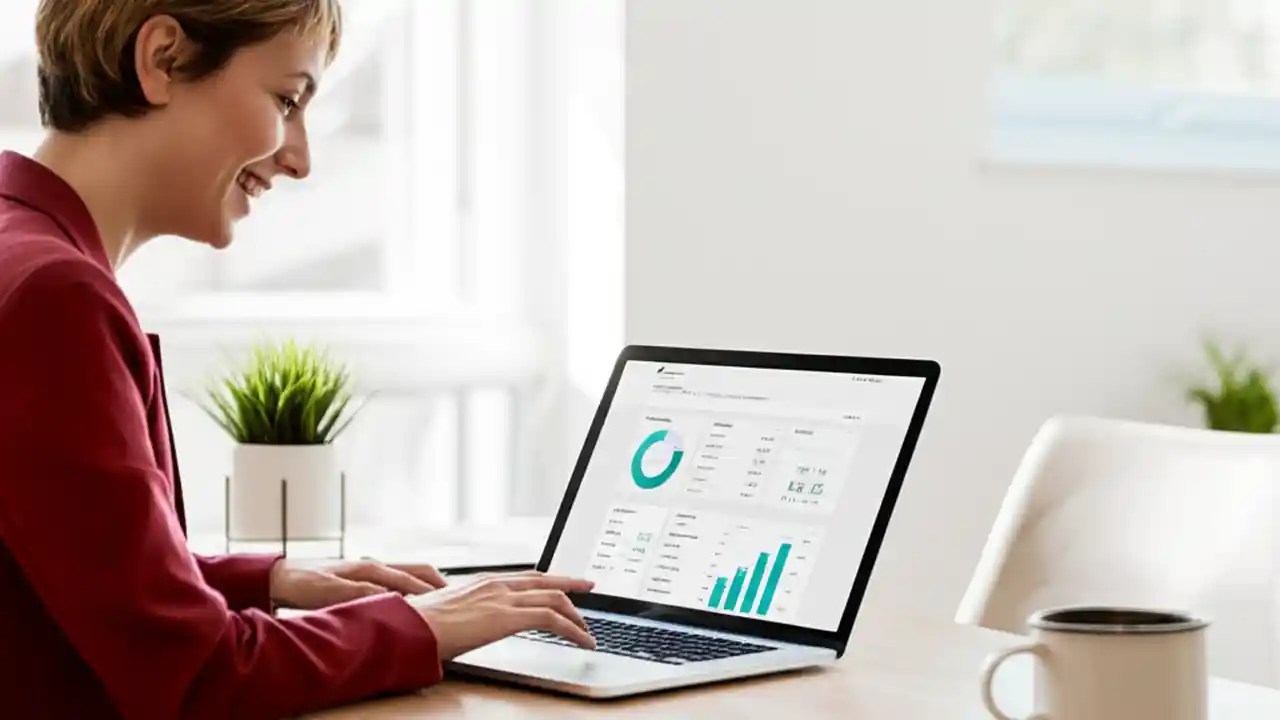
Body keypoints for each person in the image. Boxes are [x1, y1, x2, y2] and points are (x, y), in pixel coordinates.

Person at [0, 1, 595, 717]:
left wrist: (269, 580)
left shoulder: (21, 253)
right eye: (286, 100)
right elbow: (197, 676)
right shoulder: (54, 297)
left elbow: (61, 578)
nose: (301, 158)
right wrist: (426, 623)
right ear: (162, 59)